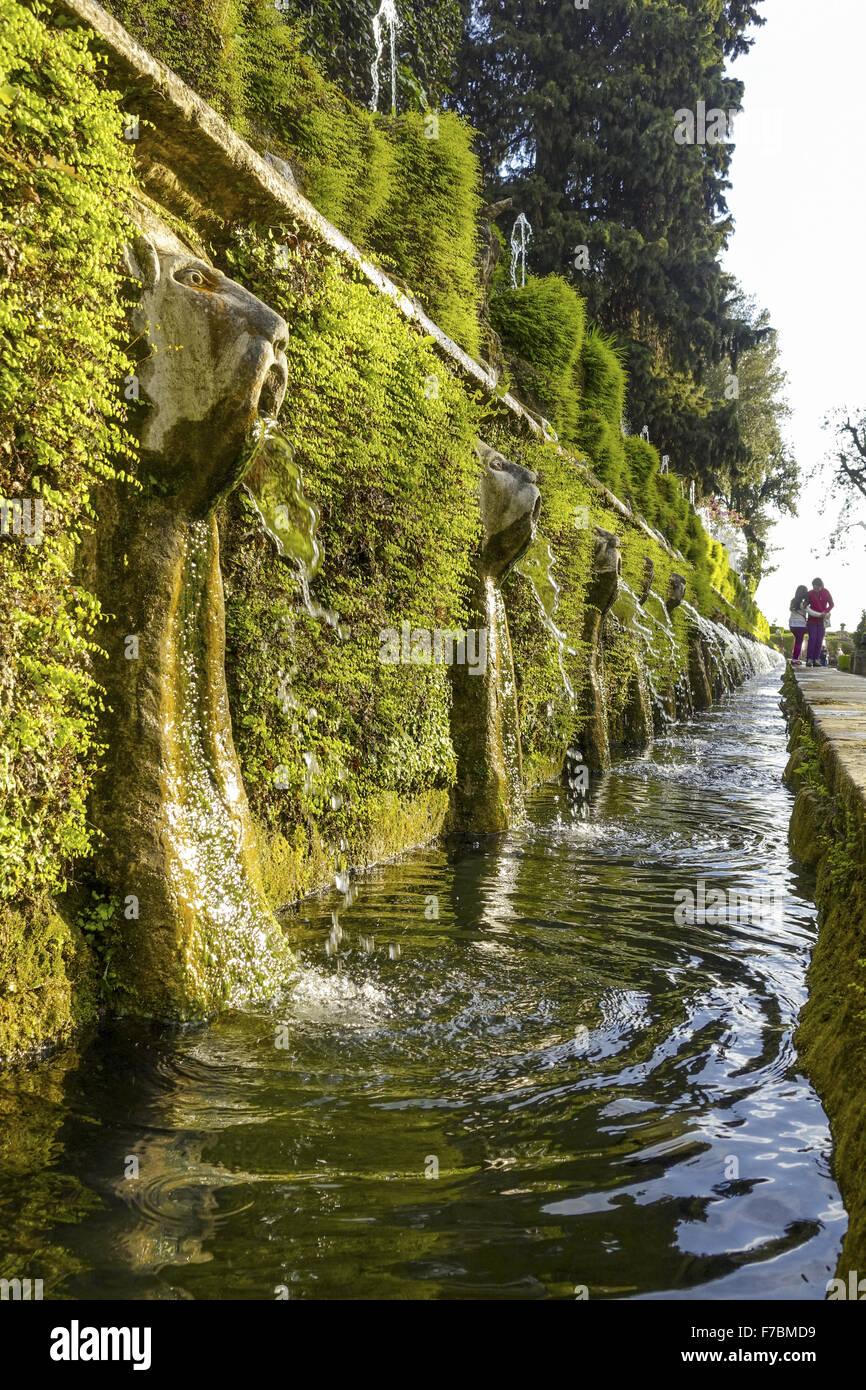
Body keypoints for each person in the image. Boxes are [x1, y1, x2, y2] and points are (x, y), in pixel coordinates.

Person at [805, 577, 834, 667]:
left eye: (818, 588)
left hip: (822, 621)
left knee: (819, 640)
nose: (816, 590)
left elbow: (832, 604)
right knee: (812, 639)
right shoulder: (809, 593)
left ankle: (816, 659)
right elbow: (805, 605)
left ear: (821, 586)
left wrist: (825, 611)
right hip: (812, 620)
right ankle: (809, 659)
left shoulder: (826, 592)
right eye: (814, 587)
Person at [788, 584, 809, 665]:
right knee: (799, 642)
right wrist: (821, 614)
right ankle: (795, 659)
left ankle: (795, 658)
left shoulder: (793, 601)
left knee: (797, 641)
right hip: (800, 625)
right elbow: (810, 612)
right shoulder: (803, 603)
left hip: (792, 625)